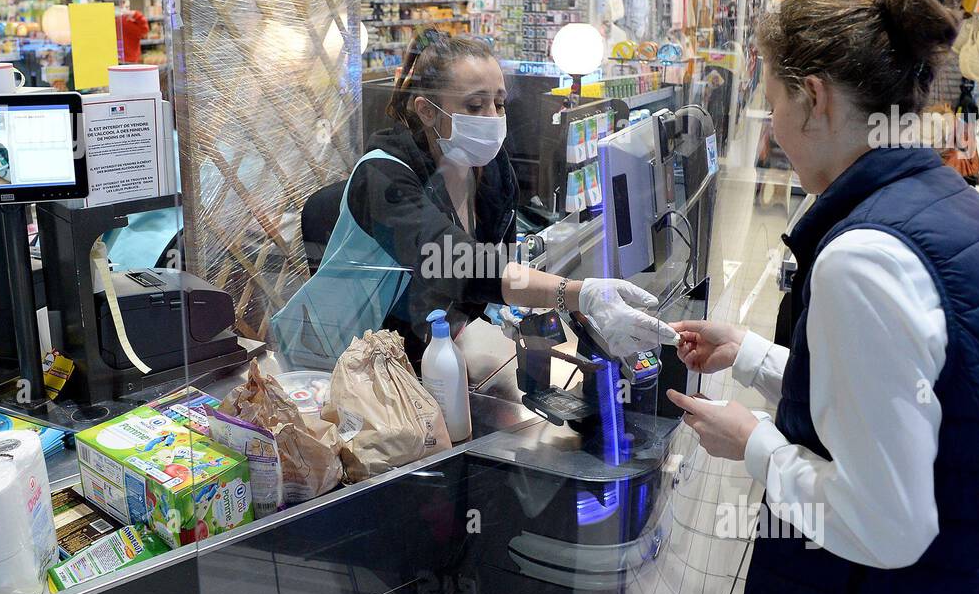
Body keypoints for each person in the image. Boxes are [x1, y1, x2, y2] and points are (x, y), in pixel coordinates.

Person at [665, 0, 979, 594]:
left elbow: (885, 524)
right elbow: (908, 401)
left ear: (815, 98)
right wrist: (751, 356)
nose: (769, 122)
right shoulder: (948, 205)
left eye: (771, 98)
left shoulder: (862, 257)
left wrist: (754, 445)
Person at [271, 27, 676, 369]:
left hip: (431, 345)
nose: (493, 119)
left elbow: (497, 257)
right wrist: (578, 292)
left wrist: (512, 306)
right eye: (474, 105)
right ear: (427, 111)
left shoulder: (491, 168)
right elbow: (457, 261)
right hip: (351, 359)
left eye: (498, 103)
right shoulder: (382, 177)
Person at [108, 0, 150, 64]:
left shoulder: (105, 19)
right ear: (122, 3)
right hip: (130, 60)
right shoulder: (127, 20)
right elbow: (144, 32)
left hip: (111, 60)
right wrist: (135, 14)